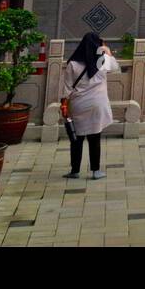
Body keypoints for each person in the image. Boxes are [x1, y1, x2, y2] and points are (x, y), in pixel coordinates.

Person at [60, 32, 121, 180]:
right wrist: (106, 51)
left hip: (78, 104)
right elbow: (115, 67)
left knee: (77, 138)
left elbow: (67, 88)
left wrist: (64, 105)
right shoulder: (102, 61)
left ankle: (75, 170)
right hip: (97, 104)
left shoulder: (73, 64)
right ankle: (96, 171)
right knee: (95, 137)